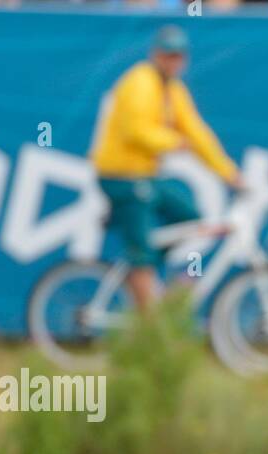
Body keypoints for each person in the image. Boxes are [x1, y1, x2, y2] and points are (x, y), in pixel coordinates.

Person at [89, 25, 245, 311]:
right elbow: (134, 130)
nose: (173, 61)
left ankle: (147, 275)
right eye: (168, 54)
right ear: (156, 54)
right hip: (120, 177)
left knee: (191, 219)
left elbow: (198, 133)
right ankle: (149, 313)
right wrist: (173, 142)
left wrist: (229, 173)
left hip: (146, 176)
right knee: (142, 253)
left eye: (178, 55)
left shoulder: (174, 90)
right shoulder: (139, 81)